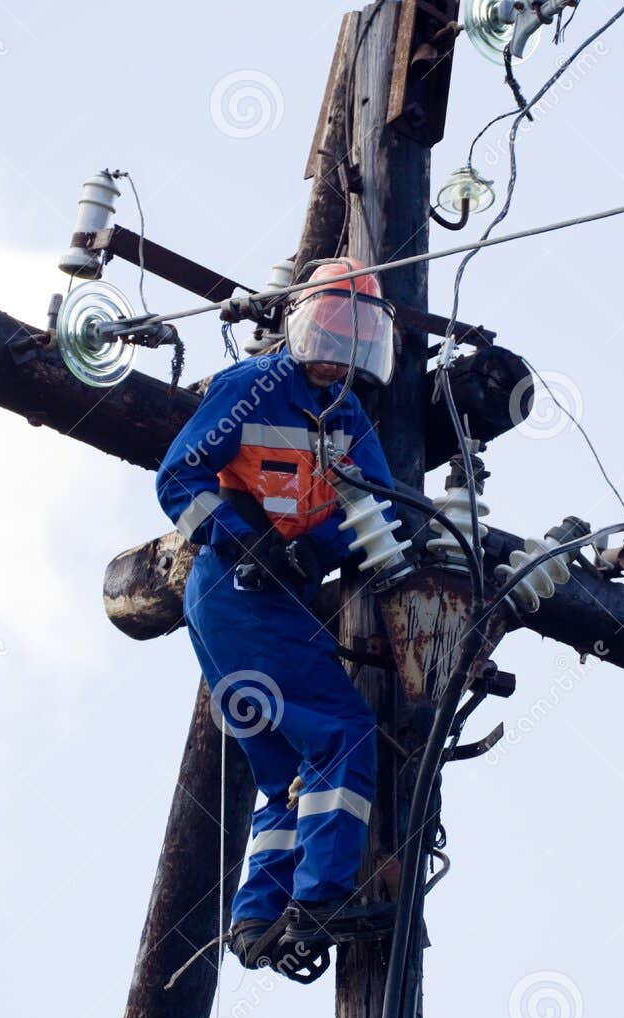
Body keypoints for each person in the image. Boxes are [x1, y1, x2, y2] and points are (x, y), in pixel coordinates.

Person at [155, 256, 405, 981]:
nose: (339, 356)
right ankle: (320, 898)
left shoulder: (350, 418)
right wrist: (247, 537)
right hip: (234, 593)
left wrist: (308, 554)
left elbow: (382, 509)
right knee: (343, 731)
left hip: (257, 602)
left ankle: (260, 917)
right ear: (307, 325)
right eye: (332, 333)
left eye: (354, 341)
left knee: (290, 772)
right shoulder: (251, 387)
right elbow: (179, 477)